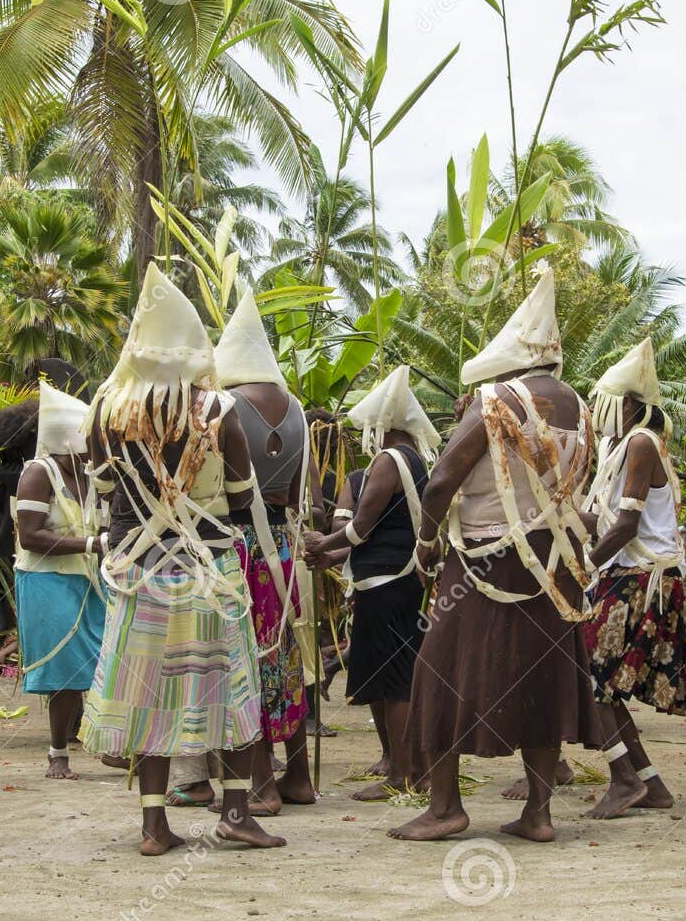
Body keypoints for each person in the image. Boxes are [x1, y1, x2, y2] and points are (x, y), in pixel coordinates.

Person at [80, 264, 283, 855]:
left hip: (139, 571)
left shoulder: (106, 412)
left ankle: (153, 827)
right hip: (208, 572)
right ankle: (238, 813)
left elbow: (104, 490)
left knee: (147, 694)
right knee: (230, 688)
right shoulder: (218, 412)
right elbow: (244, 498)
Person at [396, 269, 602, 843]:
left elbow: (439, 483)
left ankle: (444, 808)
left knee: (437, 669)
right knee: (540, 675)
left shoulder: (497, 400)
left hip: (484, 561)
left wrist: (427, 543)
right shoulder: (580, 407)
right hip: (553, 563)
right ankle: (538, 812)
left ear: (510, 361)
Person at [304, 365, 437, 801]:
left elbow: (361, 526)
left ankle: (402, 776)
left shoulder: (390, 460)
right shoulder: (415, 459)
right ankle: (408, 767)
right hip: (393, 581)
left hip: (386, 583)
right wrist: (332, 551)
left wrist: (324, 543)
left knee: (395, 680)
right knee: (386, 678)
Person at [212, 289, 318, 812]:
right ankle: (297, 775)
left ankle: (259, 786)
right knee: (286, 654)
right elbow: (303, 490)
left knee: (246, 658)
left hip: (239, 546)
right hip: (284, 544)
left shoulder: (225, 406)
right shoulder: (296, 408)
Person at [581, 338, 686, 819]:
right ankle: (649, 783)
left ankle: (626, 779)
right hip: (623, 575)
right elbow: (601, 521)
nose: (596, 412)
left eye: (603, 403)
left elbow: (626, 526)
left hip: (641, 579)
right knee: (595, 682)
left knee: (588, 681)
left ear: (626, 405)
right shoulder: (618, 447)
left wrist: (581, 567)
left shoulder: (642, 443)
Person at [0, 358, 82, 751]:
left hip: (32, 564)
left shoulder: (41, 476)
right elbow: (1, 537)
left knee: (67, 629)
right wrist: (18, 498)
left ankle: (71, 723)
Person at [14, 381, 107, 781]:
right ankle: (58, 754)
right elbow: (30, 536)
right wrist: (91, 543)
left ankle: (108, 743)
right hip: (47, 581)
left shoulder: (90, 475)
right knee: (66, 670)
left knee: (104, 660)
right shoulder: (39, 473)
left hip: (89, 579)